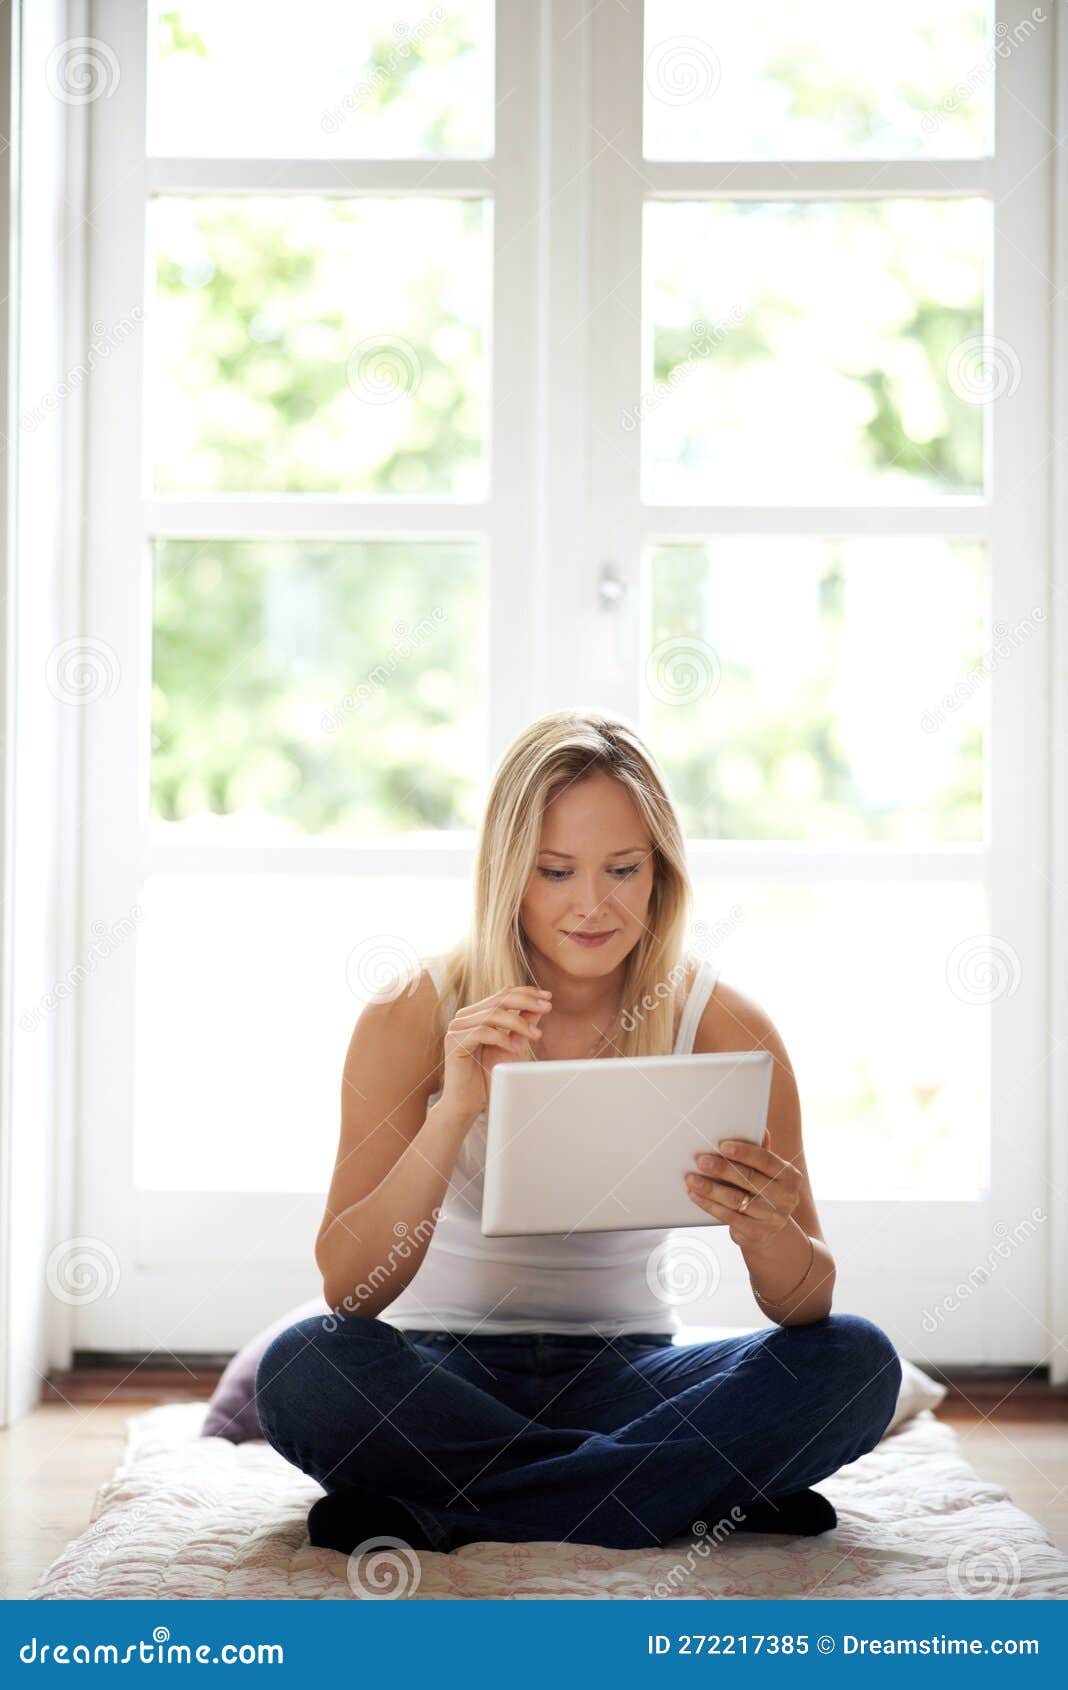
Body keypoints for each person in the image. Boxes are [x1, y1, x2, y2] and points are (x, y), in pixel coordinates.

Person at [255, 709, 901, 1555]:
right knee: (307, 1368)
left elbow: (806, 1302)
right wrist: (452, 1110)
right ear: (508, 875)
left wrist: (770, 1229)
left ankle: (455, 1515)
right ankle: (683, 1496)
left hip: (630, 1376)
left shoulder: (726, 1024)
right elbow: (349, 1288)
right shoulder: (414, 1013)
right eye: (555, 871)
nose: (591, 904)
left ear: (660, 875)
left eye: (622, 870)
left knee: (856, 1363)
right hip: (442, 1375)